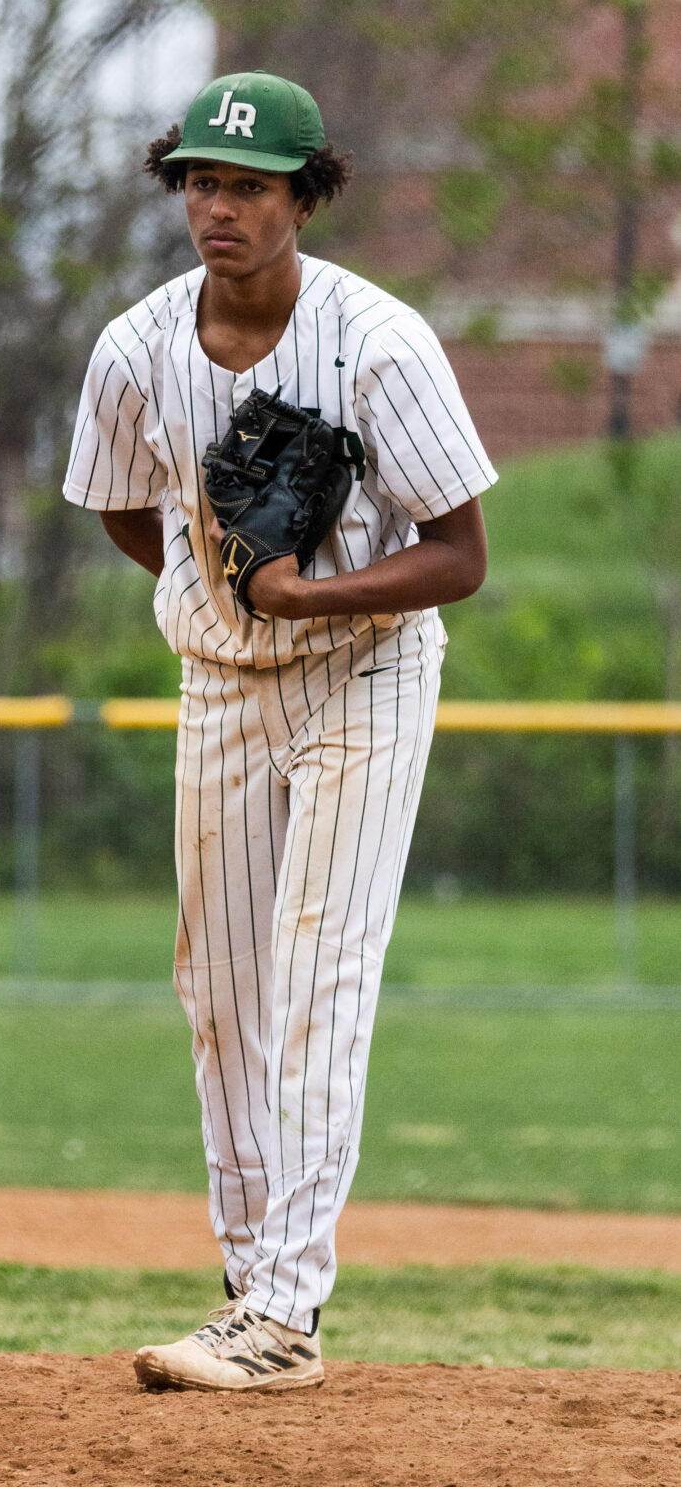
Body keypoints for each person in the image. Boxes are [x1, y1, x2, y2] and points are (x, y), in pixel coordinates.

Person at [64, 71, 494, 1392]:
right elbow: (119, 506)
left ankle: (287, 1310)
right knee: (222, 988)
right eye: (199, 181)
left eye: (248, 185)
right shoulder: (135, 350)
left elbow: (460, 554)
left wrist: (313, 590)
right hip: (224, 681)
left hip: (365, 675)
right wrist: (211, 573)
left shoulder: (378, 345)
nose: (218, 208)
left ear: (305, 196)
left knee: (318, 974)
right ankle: (249, 1282)